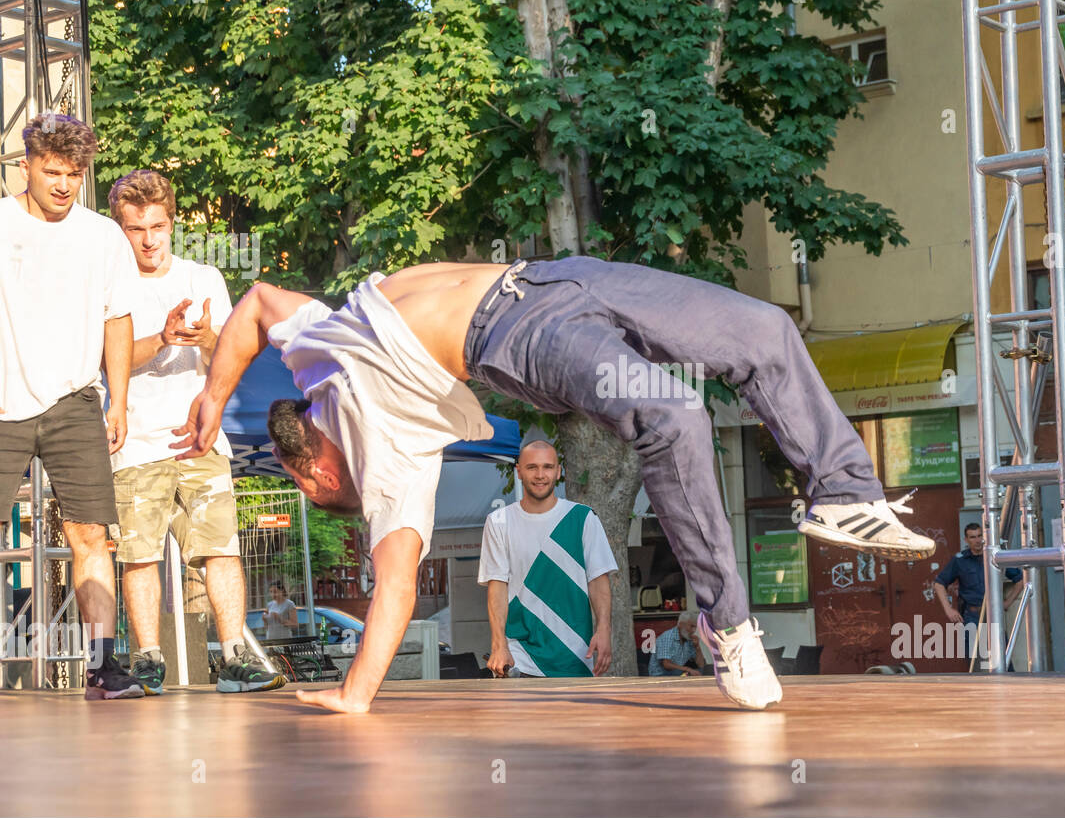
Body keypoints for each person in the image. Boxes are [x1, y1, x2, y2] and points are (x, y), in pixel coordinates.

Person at [175, 257, 936, 713]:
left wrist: (213, 395)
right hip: (518, 338)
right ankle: (729, 627)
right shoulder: (390, 461)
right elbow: (396, 590)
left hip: (554, 277)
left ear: (308, 463)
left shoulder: (314, 359)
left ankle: (841, 489)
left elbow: (255, 303)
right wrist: (354, 694)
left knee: (764, 329)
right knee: (673, 415)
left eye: (304, 489)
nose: (313, 494)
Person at [107, 170, 285, 694]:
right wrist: (161, 339)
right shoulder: (110, 285)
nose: (148, 239)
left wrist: (208, 338)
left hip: (201, 439)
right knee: (139, 553)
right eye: (136, 228)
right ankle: (146, 659)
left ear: (172, 221)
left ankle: (233, 656)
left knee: (221, 547)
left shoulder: (204, 277)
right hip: (136, 439)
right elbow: (106, 358)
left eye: (157, 226)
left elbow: (232, 360)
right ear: (121, 228)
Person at [0, 113, 145, 700]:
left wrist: (120, 401)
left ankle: (103, 666)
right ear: (26, 167)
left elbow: (118, 320)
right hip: (4, 403)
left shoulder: (101, 236)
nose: (63, 183)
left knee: (92, 536)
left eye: (74, 173)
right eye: (52, 170)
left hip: (75, 401)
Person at [478, 440, 617, 678]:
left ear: (558, 471)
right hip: (520, 654)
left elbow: (598, 579)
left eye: (547, 467)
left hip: (575, 652)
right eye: (532, 467)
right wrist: (498, 645)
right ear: (519, 471)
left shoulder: (583, 518)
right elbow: (497, 585)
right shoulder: (499, 521)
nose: (540, 475)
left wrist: (603, 629)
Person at [933, 522, 1023, 662]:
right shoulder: (960, 560)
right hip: (972, 616)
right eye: (972, 537)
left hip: (993, 615)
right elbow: (939, 583)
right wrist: (948, 610)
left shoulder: (995, 557)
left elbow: (1020, 580)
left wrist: (1007, 602)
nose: (977, 540)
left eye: (979, 536)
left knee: (1003, 661)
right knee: (974, 662)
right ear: (966, 540)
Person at [651, 611, 706, 676]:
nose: (693, 630)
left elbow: (701, 665)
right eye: (691, 626)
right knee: (692, 672)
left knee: (700, 671)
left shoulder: (688, 639)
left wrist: (697, 647)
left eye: (695, 627)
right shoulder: (668, 637)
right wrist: (688, 669)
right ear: (680, 624)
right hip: (660, 675)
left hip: (676, 674)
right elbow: (666, 665)